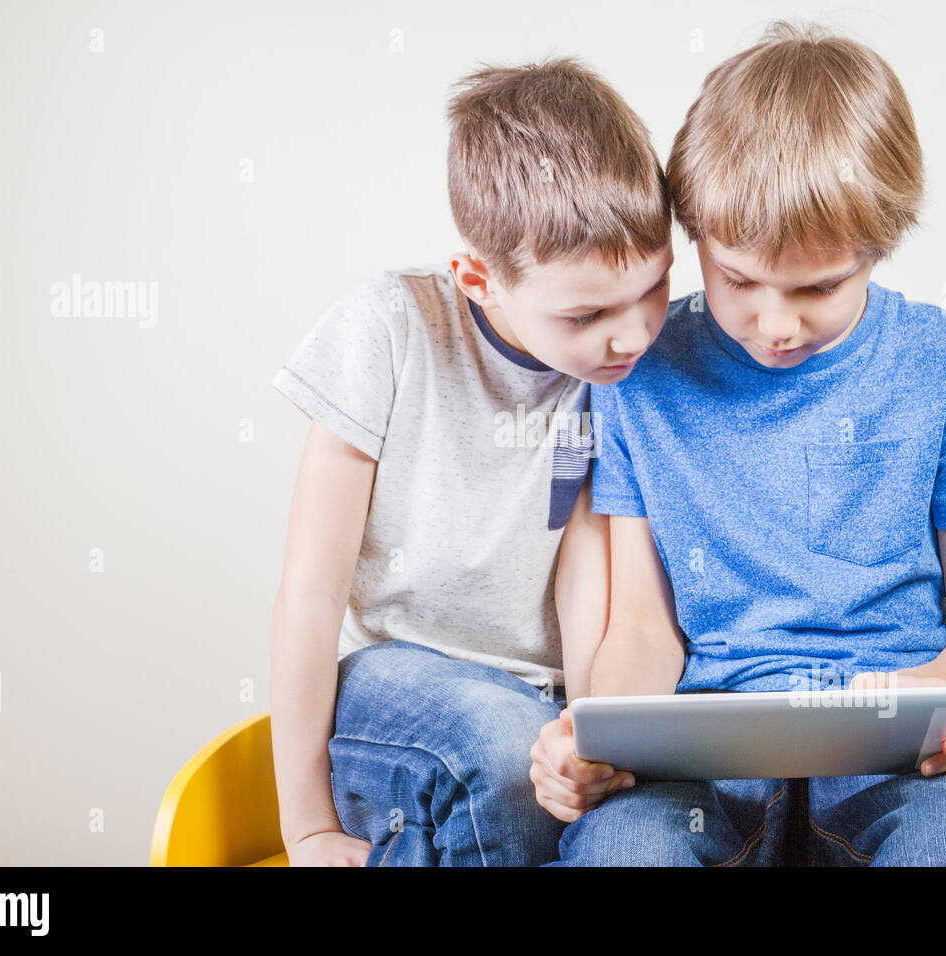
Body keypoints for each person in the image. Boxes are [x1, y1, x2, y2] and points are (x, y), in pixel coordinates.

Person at [530, 21, 946, 866]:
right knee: (622, 852)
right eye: (737, 279)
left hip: (898, 760)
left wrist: (919, 698)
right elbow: (640, 624)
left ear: (881, 245)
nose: (775, 325)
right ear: (691, 233)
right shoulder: (643, 375)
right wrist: (598, 735)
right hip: (702, 760)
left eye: (819, 287)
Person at [268, 56, 672, 866]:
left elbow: (585, 578)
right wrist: (305, 823)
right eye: (588, 313)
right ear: (478, 279)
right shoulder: (389, 329)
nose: (631, 335)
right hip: (395, 686)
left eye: (654, 290)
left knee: (582, 788)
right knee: (497, 750)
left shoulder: (615, 377)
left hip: (537, 700)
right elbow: (311, 592)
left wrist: (592, 738)